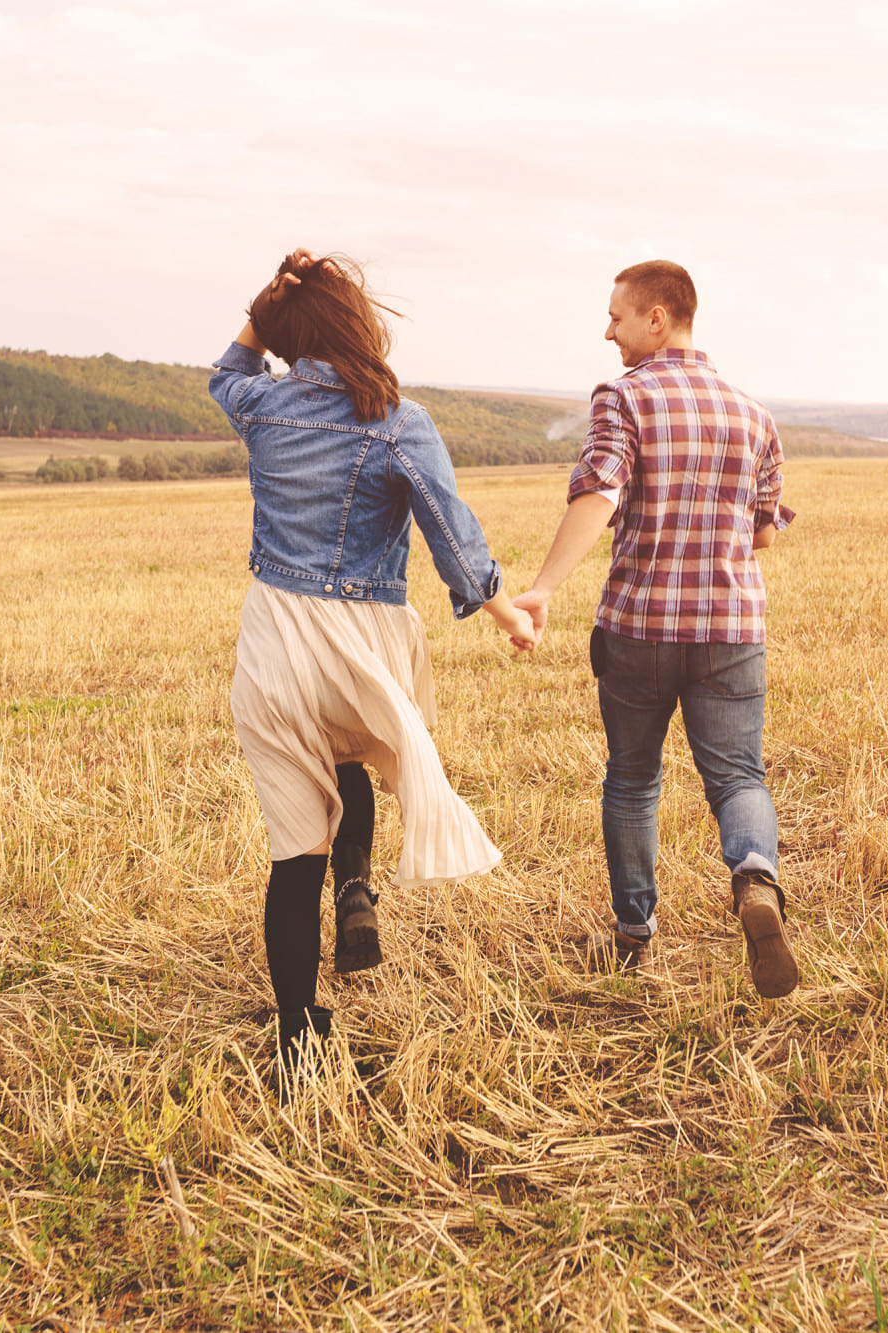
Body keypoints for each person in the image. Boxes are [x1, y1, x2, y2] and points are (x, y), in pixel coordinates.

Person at [209, 249, 537, 1094]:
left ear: (290, 334)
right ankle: (357, 883)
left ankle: (297, 1039)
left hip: (275, 639)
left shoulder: (263, 406)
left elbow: (228, 370)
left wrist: (267, 300)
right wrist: (502, 609)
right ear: (359, 325)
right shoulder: (398, 417)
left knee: (293, 849)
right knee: (356, 757)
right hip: (361, 640)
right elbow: (449, 532)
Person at [513, 260, 800, 998]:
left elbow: (601, 489)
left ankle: (634, 932)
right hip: (731, 628)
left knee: (634, 779)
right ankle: (756, 879)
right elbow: (764, 535)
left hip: (640, 627)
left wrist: (543, 587)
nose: (606, 329)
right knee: (738, 776)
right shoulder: (753, 414)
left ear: (658, 319)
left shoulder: (623, 397)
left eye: (616, 315)